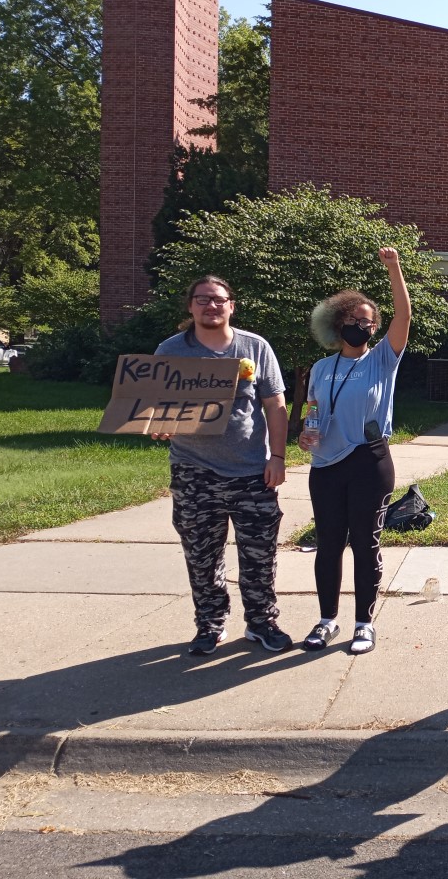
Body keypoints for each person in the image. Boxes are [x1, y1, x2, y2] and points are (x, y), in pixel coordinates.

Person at [153, 276, 292, 656]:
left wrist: (278, 458)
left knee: (259, 555)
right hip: (193, 472)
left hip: (252, 472)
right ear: (190, 306)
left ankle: (261, 622)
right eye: (202, 299)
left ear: (231, 305)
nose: (210, 306)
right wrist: (158, 425)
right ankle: (210, 624)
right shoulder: (171, 350)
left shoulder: (254, 347)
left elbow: (275, 405)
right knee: (202, 556)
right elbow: (154, 406)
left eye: (218, 299)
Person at [297, 248, 411, 655]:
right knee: (328, 544)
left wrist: (394, 268)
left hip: (369, 462)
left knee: (365, 544)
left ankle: (364, 623)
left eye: (367, 322)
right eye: (353, 320)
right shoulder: (321, 367)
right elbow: (313, 409)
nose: (360, 327)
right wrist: (306, 433)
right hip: (326, 465)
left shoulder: (382, 360)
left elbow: (403, 317)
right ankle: (327, 620)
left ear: (375, 328)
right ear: (337, 324)